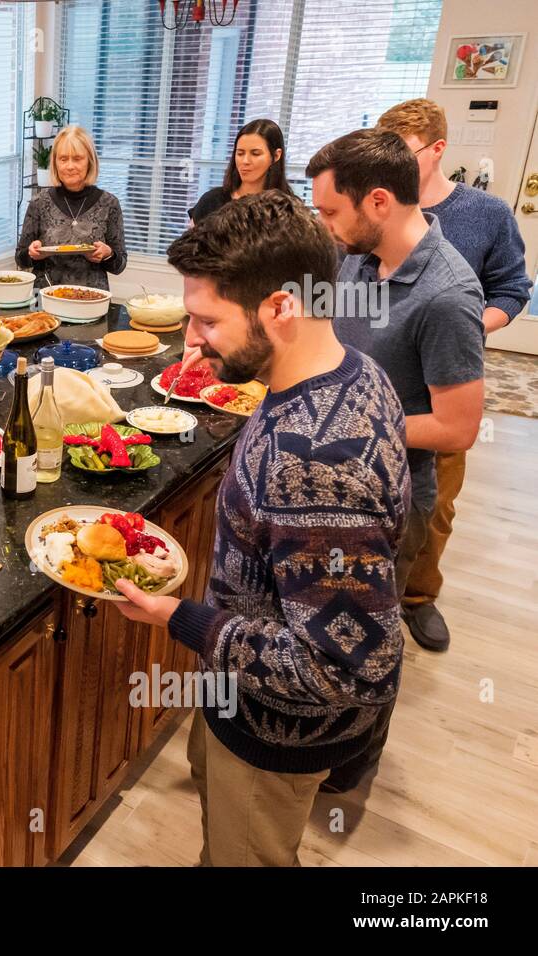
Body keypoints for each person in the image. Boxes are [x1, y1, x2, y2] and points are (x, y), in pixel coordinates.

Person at [113, 192, 410, 866]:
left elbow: (342, 670)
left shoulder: (314, 466)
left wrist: (177, 618)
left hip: (281, 729)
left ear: (279, 307)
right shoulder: (353, 372)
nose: (190, 339)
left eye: (205, 321)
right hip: (245, 695)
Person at [306, 128, 485, 793]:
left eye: (331, 211)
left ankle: (354, 766)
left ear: (377, 201)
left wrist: (353, 426)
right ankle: (322, 738)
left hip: (390, 502)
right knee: (324, 631)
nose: (325, 225)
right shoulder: (356, 259)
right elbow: (319, 330)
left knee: (366, 644)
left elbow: (458, 427)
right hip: (329, 487)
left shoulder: (445, 295)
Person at [375, 98, 533, 652]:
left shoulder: (486, 214)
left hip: (445, 376)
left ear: (438, 149)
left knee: (435, 500)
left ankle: (418, 597)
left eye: (404, 153)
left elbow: (514, 289)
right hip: (383, 375)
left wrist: (466, 324)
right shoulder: (379, 210)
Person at [15, 125, 127, 290]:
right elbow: (20, 258)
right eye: (63, 159)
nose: (69, 166)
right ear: (55, 163)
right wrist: (31, 253)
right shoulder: (38, 203)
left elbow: (119, 266)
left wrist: (107, 254)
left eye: (77, 158)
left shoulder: (109, 204)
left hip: (92, 299)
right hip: (46, 297)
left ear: (90, 160)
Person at [189, 118, 294, 225]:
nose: (245, 161)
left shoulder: (289, 209)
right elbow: (192, 240)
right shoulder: (212, 200)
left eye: (255, 154)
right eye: (240, 153)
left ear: (276, 155)